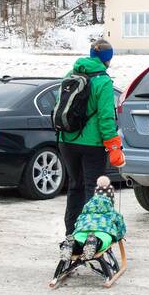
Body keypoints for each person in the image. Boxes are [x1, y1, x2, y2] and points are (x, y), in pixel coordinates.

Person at [57, 40, 124, 238]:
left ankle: (71, 235)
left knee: (75, 187)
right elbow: (106, 117)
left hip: (66, 141)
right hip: (92, 145)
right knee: (94, 191)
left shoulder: (70, 74)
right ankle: (90, 236)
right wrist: (114, 147)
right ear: (107, 59)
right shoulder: (103, 81)